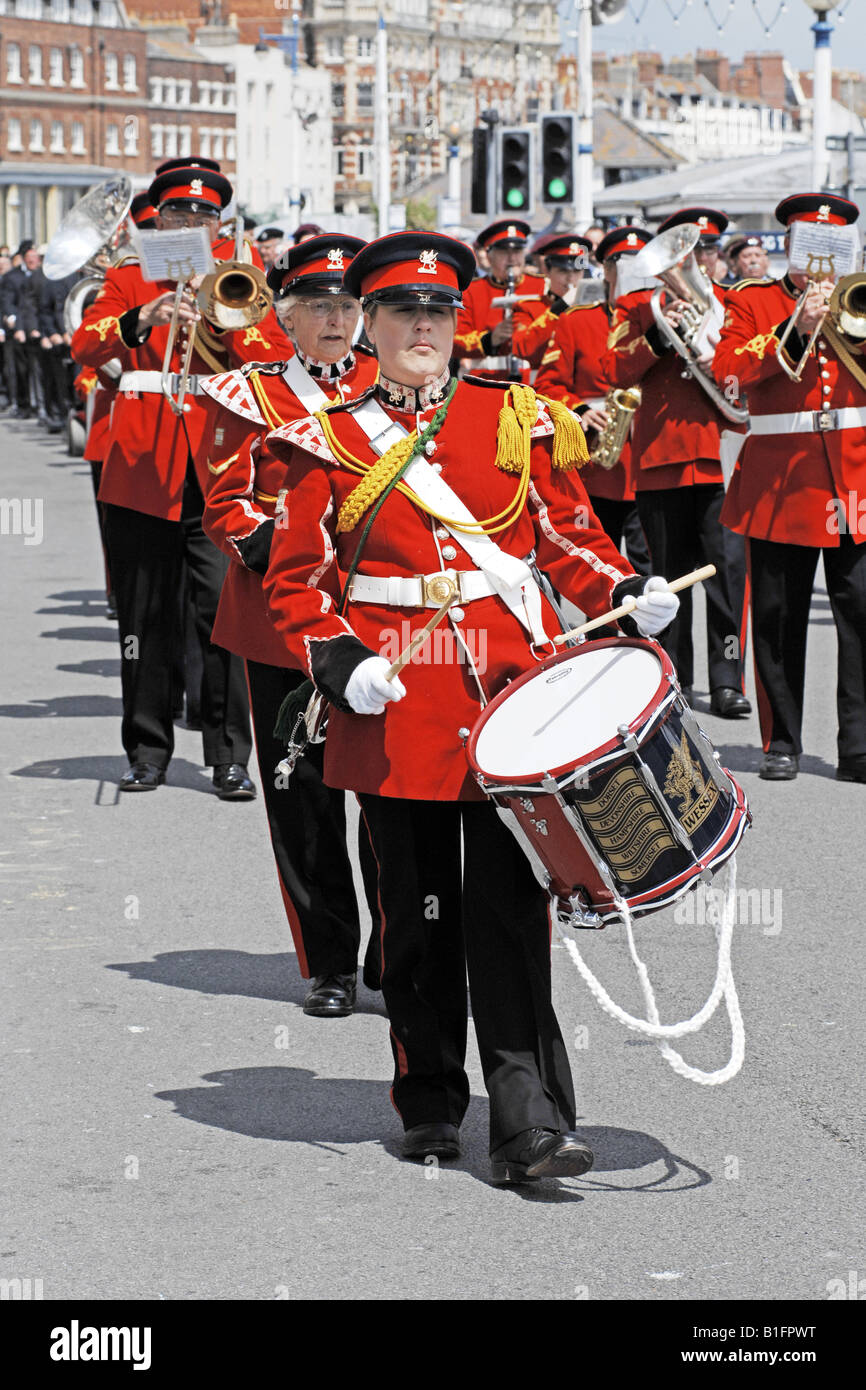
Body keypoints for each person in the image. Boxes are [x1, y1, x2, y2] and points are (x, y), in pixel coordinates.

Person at [261, 230, 681, 1183]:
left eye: (437, 312)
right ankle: (429, 1099)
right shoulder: (321, 437)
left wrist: (624, 584)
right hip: (393, 697)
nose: (421, 327)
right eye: (401, 311)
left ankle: (529, 1117)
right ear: (366, 324)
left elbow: (564, 534)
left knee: (509, 909)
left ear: (459, 323)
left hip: (507, 698)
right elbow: (296, 582)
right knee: (414, 914)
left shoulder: (511, 416)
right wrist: (337, 660)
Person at [201, 233, 382, 1016]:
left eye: (347, 305)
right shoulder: (249, 393)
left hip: (381, 620)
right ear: (286, 315)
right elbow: (226, 507)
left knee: (387, 790)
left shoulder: (395, 384)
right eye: (318, 306)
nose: (335, 319)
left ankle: (399, 947)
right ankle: (330, 962)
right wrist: (301, 549)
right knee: (299, 792)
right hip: (280, 621)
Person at [70, 163, 292, 795]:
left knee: (221, 613)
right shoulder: (126, 277)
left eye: (202, 218)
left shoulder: (242, 278)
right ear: (160, 221)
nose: (190, 226)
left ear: (218, 224)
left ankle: (228, 755)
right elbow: (86, 344)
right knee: (143, 616)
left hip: (219, 469)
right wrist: (145, 314)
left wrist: (227, 322)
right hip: (142, 468)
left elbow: (275, 358)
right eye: (177, 217)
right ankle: (146, 750)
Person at [713, 192, 866, 783]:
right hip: (780, 482)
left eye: (833, 249)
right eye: (813, 248)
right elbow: (731, 371)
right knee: (778, 617)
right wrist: (796, 326)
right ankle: (782, 741)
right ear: (791, 247)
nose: (823, 262)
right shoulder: (753, 301)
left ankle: (858, 746)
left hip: (854, 478)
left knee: (861, 613)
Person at [602, 206, 750, 717]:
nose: (700, 260)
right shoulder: (640, 307)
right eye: (694, 251)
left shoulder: (731, 307)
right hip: (661, 458)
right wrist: (662, 337)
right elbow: (613, 367)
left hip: (720, 454)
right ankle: (675, 677)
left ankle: (728, 679)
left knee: (728, 577)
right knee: (667, 581)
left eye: (707, 251)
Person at [535, 225, 651, 574]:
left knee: (650, 566)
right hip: (597, 462)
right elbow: (547, 384)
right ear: (607, 269)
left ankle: (652, 631)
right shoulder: (576, 321)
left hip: (649, 460)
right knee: (599, 563)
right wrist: (581, 410)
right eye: (621, 263)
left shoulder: (659, 320)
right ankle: (603, 632)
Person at [453, 219, 545, 380]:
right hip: (485, 380)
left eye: (517, 251)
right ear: (489, 256)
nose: (512, 258)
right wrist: (491, 339)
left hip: (534, 382)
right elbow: (453, 340)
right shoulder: (471, 291)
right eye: (504, 251)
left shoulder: (542, 285)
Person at [510, 233, 592, 370]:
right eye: (563, 271)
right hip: (543, 387)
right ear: (546, 270)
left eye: (577, 271)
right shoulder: (527, 307)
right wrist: (559, 308)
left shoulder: (592, 308)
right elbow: (522, 348)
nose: (571, 278)